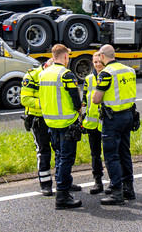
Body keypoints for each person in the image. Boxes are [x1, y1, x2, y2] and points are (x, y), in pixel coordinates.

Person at [36, 44, 85, 209]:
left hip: (50, 122)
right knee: (66, 158)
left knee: (59, 156)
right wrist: (79, 110)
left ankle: (64, 185)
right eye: (68, 57)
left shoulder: (43, 74)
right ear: (65, 56)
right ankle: (62, 196)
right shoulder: (66, 74)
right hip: (66, 122)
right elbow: (75, 99)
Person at [90, 44, 138, 205]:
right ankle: (128, 189)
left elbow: (96, 99)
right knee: (125, 152)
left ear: (102, 56)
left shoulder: (106, 74)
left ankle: (117, 192)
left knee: (111, 156)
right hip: (128, 115)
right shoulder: (129, 70)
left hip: (113, 118)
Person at [19, 64, 53, 196]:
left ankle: (64, 182)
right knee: (43, 151)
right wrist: (46, 104)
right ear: (46, 65)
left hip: (55, 118)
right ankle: (45, 184)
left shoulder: (58, 74)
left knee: (62, 151)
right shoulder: (32, 76)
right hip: (38, 120)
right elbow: (25, 99)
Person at [81, 56, 106, 195]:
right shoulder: (89, 79)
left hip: (106, 123)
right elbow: (84, 99)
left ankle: (115, 183)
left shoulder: (109, 76)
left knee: (110, 155)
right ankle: (98, 181)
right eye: (95, 62)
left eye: (100, 62)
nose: (98, 64)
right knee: (95, 155)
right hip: (92, 124)